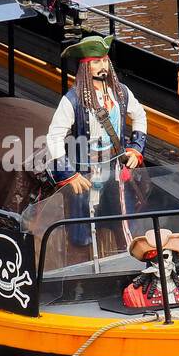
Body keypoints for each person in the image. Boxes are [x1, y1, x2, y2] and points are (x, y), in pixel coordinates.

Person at [45, 35, 147, 249]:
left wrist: (135, 148)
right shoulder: (72, 100)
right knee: (81, 223)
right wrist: (68, 175)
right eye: (95, 62)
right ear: (85, 68)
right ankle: (81, 251)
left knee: (123, 216)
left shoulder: (121, 93)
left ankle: (127, 249)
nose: (102, 66)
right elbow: (54, 137)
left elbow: (140, 116)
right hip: (85, 170)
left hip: (115, 166)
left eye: (104, 61)